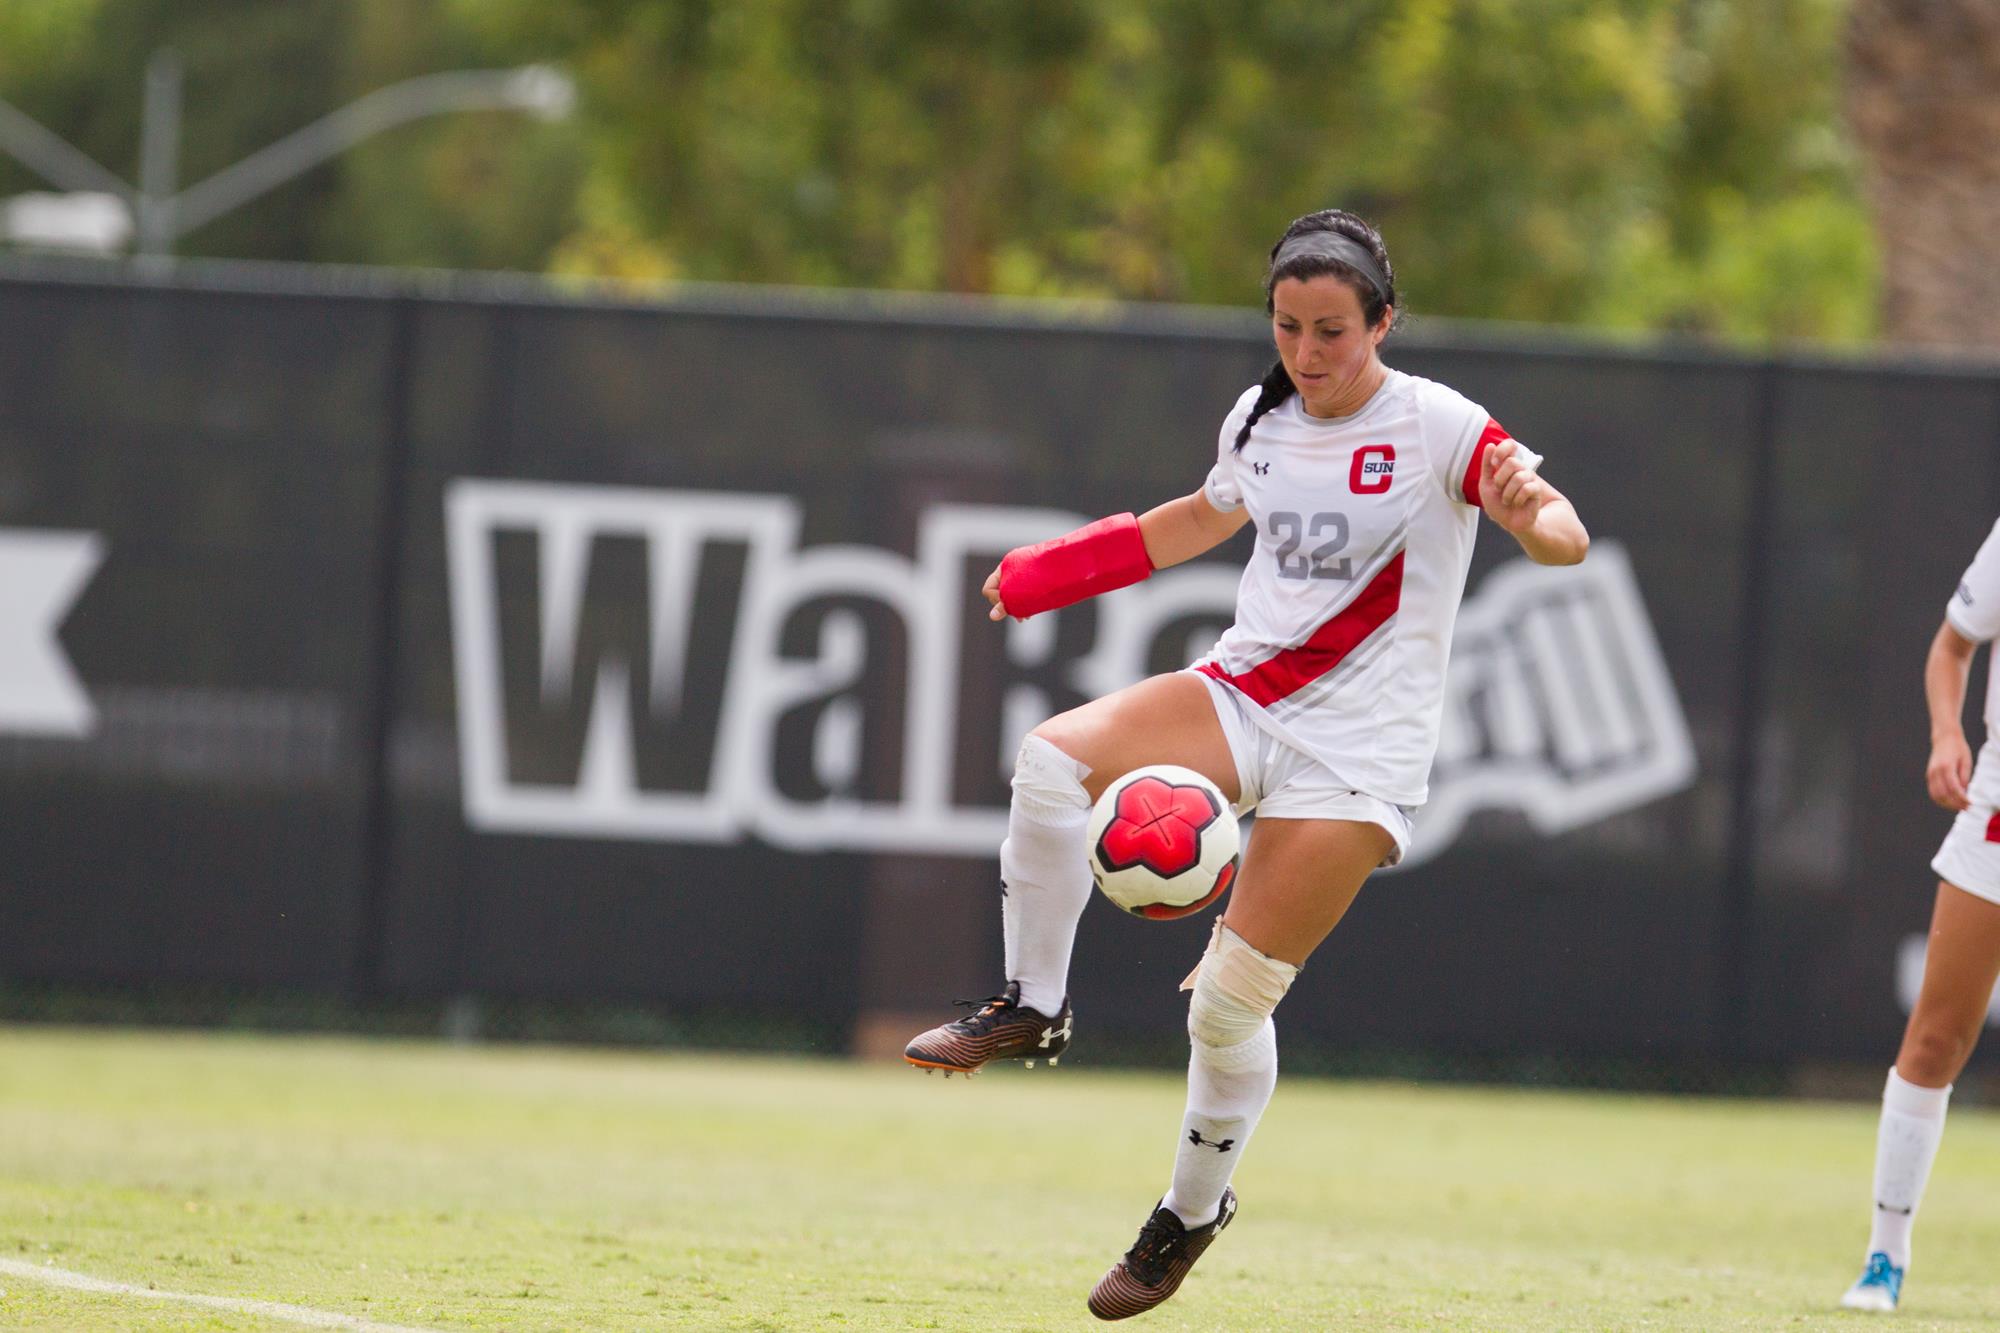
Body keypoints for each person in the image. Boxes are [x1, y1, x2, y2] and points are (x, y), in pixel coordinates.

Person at [902, 208, 1590, 1321]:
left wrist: (1529, 519)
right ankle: (1032, 1001)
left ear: (1382, 322)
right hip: (1240, 696)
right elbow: (1196, 518)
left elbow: (1563, 530)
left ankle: (1186, 1212)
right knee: (1047, 762)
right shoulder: (1260, 412)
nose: (1308, 355)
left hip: (1358, 754)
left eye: (1331, 331)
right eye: (1287, 327)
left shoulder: (1437, 424)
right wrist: (1054, 570)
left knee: (1222, 1009)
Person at [1840, 515, 2000, 1314]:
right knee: (1935, 1038)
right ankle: (1885, 1255)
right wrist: (1947, 733)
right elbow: (1952, 645)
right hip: (1996, 819)